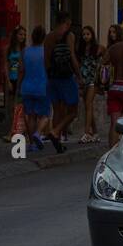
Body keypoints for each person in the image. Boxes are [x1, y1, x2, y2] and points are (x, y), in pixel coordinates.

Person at [44, 10, 79, 152]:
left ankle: (57, 143)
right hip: (66, 77)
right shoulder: (69, 36)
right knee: (73, 111)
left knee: (57, 110)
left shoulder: (48, 37)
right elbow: (72, 57)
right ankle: (56, 131)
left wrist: (48, 75)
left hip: (52, 77)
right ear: (67, 21)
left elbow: (45, 60)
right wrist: (79, 75)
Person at [20, 27, 52, 152]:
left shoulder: (25, 51)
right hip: (43, 87)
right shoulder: (46, 52)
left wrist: (18, 85)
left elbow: (21, 70)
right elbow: (49, 69)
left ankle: (32, 144)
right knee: (45, 115)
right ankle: (38, 133)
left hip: (27, 87)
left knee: (31, 116)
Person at [77, 26, 103, 143]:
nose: (86, 36)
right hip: (83, 79)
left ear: (92, 35)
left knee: (88, 104)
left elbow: (107, 55)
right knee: (88, 106)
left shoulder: (98, 48)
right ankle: (95, 132)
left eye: (88, 34)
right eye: (84, 34)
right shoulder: (81, 48)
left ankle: (86, 133)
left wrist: (101, 69)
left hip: (93, 79)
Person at [5, 25, 28, 142]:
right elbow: (6, 65)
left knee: (19, 107)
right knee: (10, 107)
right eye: (20, 34)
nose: (22, 37)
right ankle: (12, 129)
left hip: (21, 80)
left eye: (24, 35)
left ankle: (18, 131)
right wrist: (8, 79)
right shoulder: (9, 48)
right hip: (12, 79)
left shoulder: (25, 50)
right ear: (15, 35)